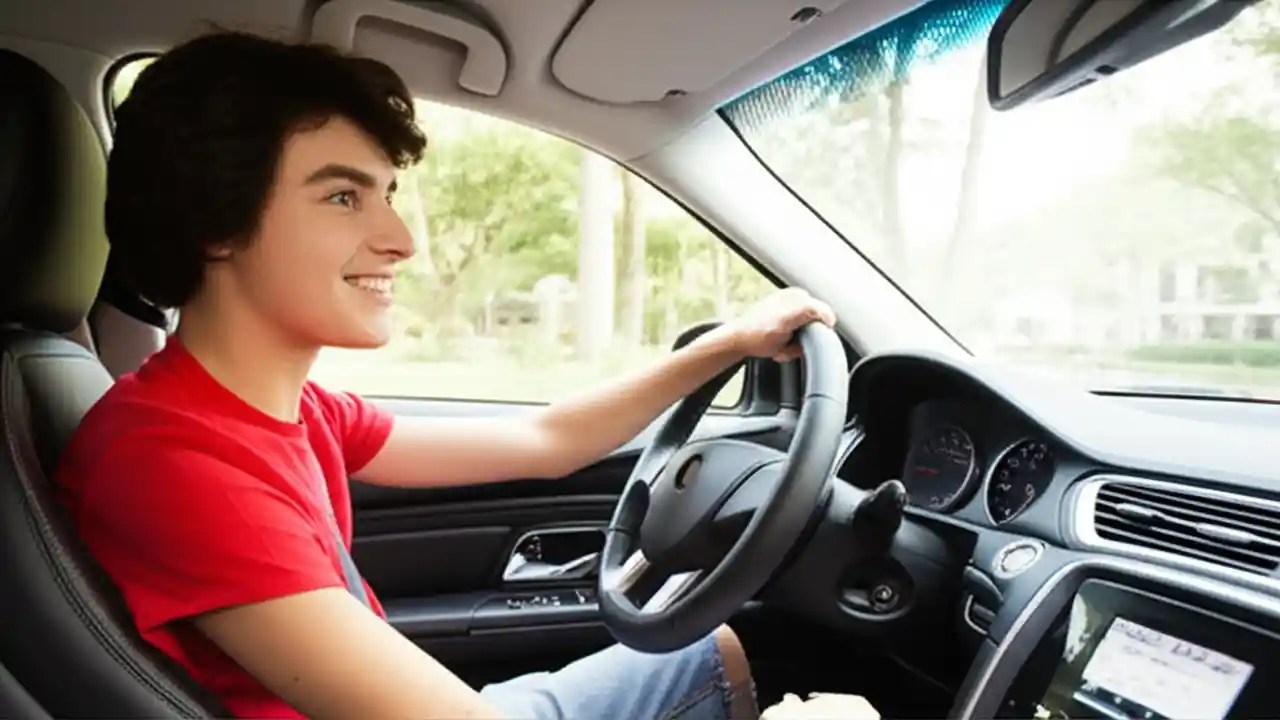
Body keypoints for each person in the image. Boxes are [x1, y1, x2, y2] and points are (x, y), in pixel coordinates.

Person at [53, 30, 856, 720]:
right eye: (342, 197)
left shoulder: (286, 412)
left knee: (739, 647)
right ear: (215, 223)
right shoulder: (172, 464)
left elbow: (544, 440)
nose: (400, 238)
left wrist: (726, 344)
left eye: (389, 195)